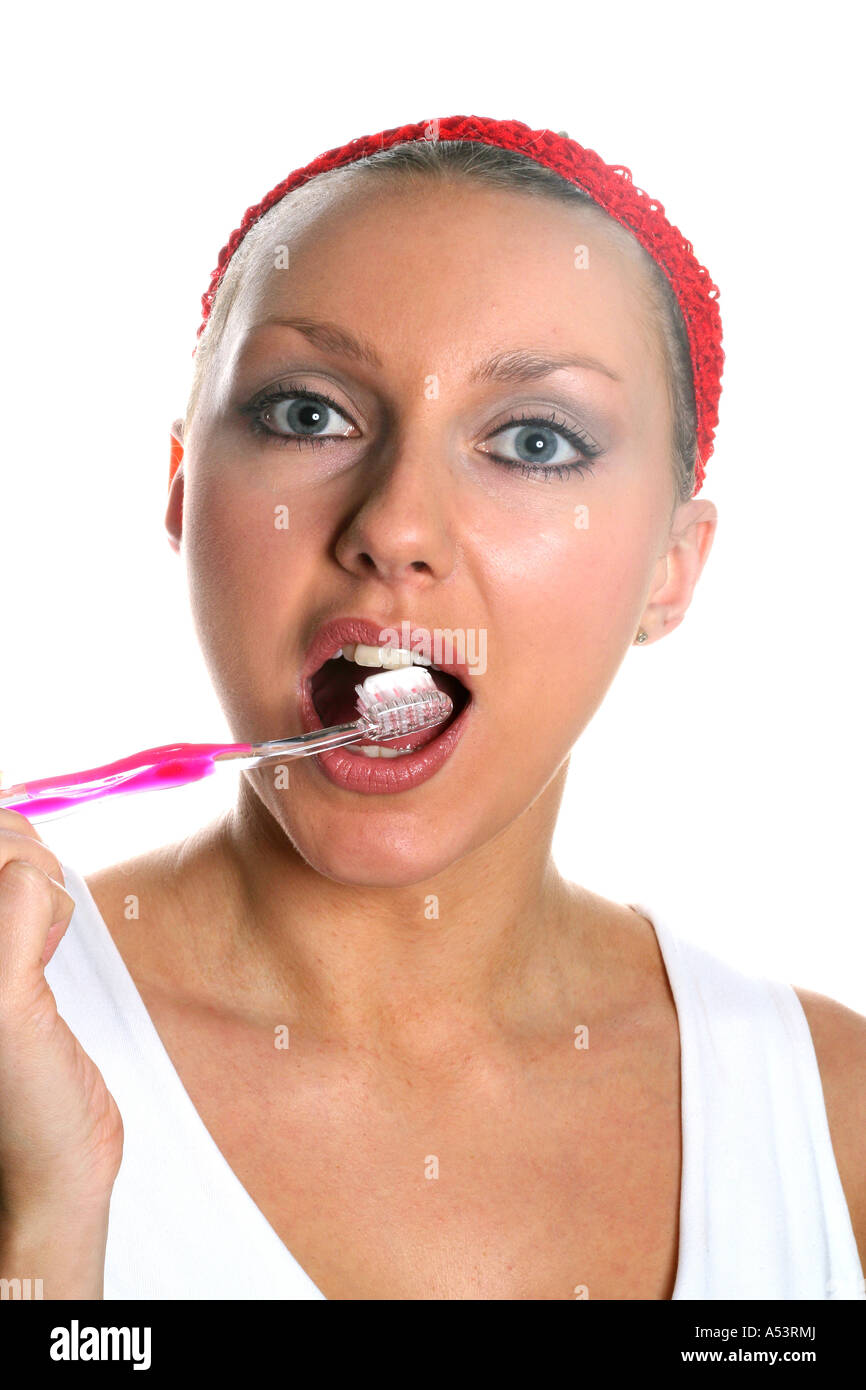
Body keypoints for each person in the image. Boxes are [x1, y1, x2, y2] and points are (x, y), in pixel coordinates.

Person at [1, 115, 864, 1301]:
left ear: (671, 566)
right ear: (183, 489)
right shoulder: (15, 1039)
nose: (396, 527)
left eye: (531, 440)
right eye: (309, 414)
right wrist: (45, 1230)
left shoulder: (835, 1119)